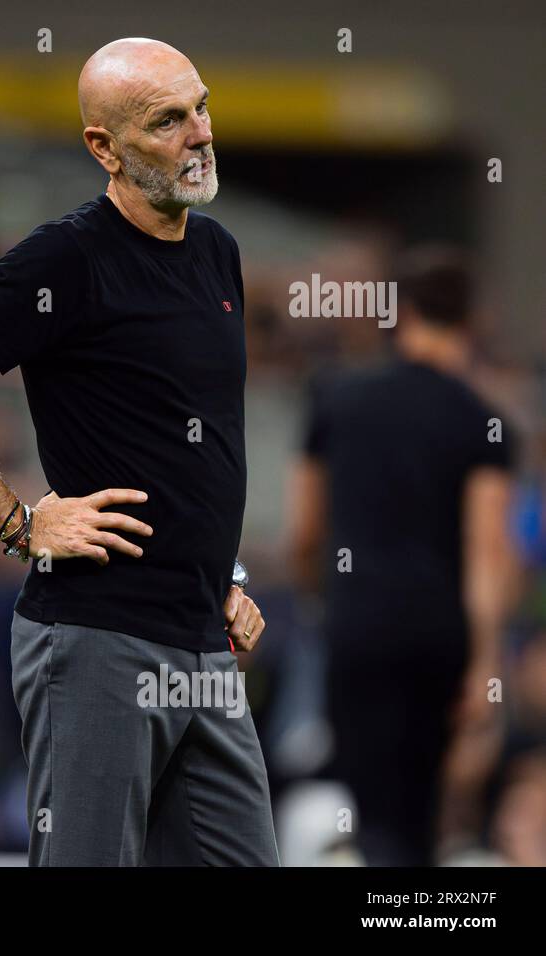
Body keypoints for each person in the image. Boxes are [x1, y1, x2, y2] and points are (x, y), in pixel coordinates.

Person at [0, 38, 278, 866]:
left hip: (203, 641)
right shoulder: (69, 257)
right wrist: (18, 524)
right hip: (98, 638)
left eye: (200, 106)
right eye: (168, 121)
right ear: (105, 147)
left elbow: (191, 441)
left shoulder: (216, 252)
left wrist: (225, 574)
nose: (200, 133)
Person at [289, 247, 519, 865]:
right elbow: (487, 554)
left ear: (403, 313)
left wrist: (324, 602)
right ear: (470, 320)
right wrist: (486, 663)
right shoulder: (483, 422)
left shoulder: (338, 400)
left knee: (371, 808)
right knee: (421, 813)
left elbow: (306, 531)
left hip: (358, 623)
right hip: (437, 634)